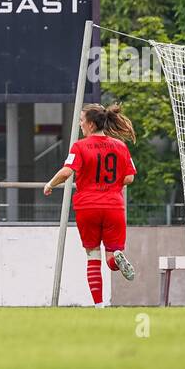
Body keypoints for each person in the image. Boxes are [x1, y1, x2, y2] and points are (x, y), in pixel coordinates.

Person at [43, 102, 138, 307]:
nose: (80, 125)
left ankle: (99, 306)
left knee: (92, 256)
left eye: (81, 121)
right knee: (111, 257)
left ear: (92, 125)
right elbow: (129, 177)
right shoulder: (120, 146)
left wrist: (50, 184)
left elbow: (67, 172)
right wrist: (111, 184)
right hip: (113, 206)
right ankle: (117, 258)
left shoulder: (80, 146)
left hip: (87, 207)